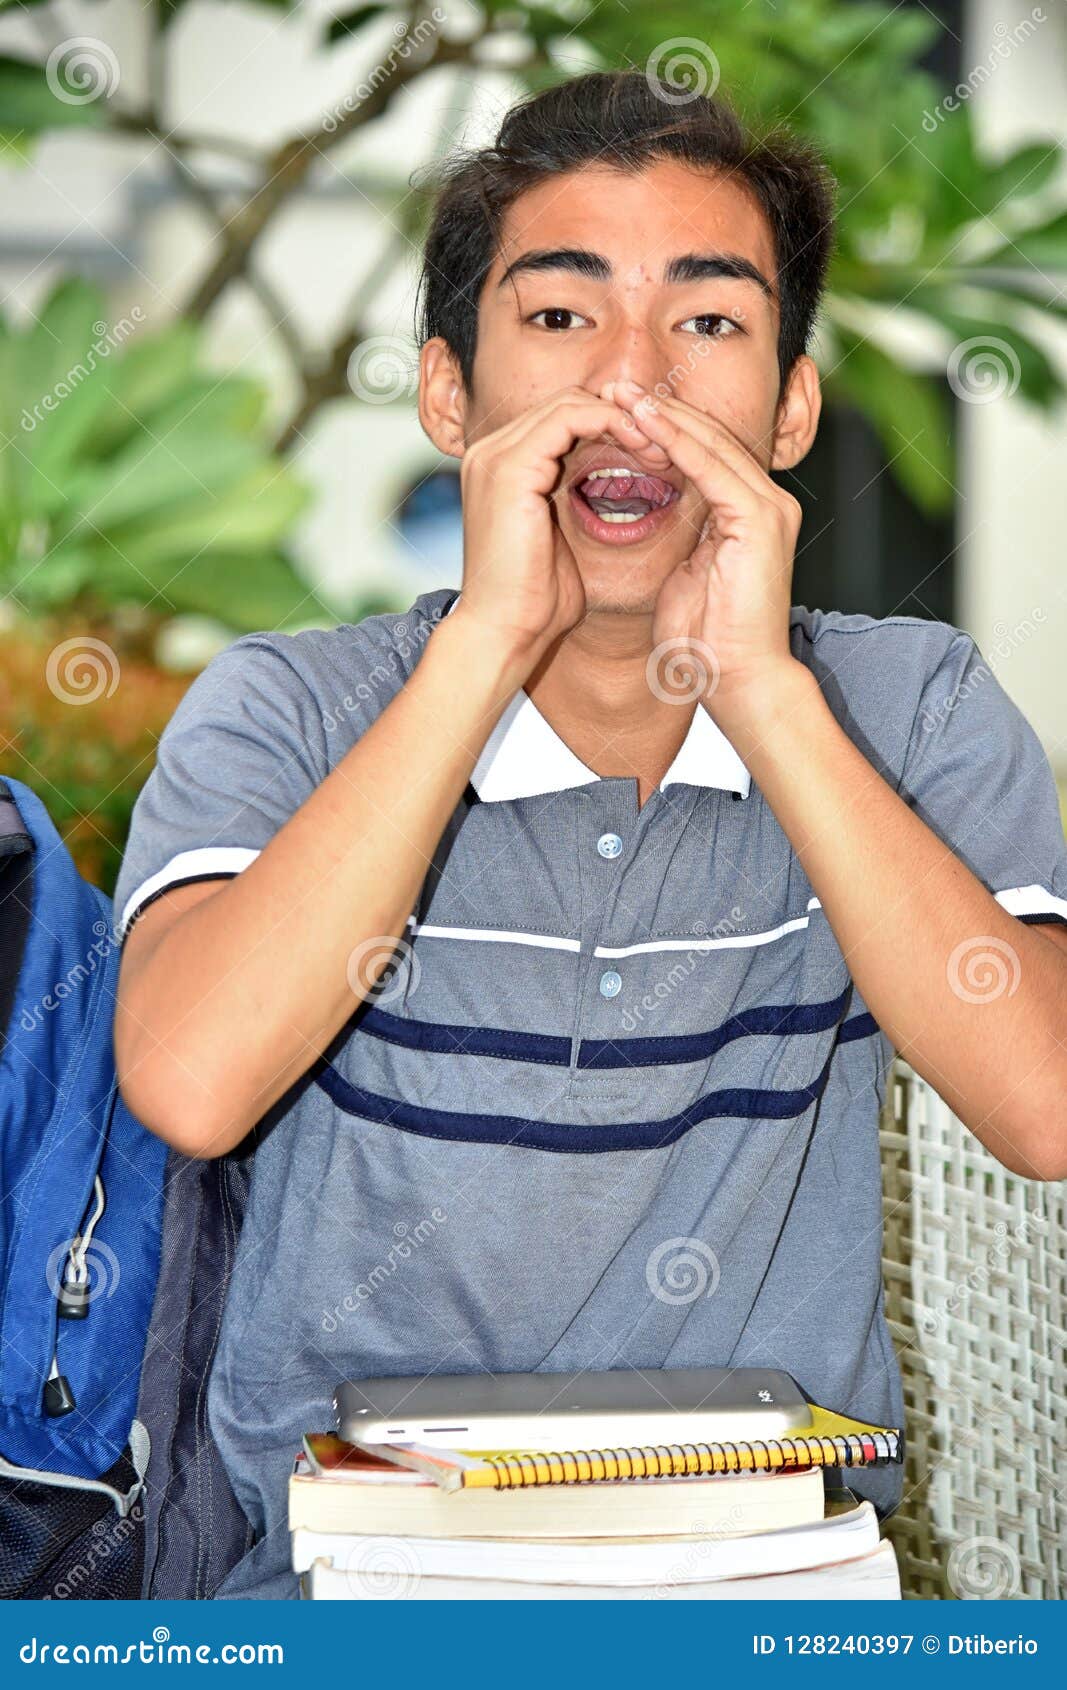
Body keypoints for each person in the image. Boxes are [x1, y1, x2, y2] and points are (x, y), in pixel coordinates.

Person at [113, 70, 1067, 1599]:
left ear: (791, 405)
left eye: (709, 323)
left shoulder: (907, 703)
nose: (635, 389)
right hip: (353, 1588)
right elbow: (190, 1077)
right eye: (560, 320)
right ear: (448, 394)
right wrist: (487, 638)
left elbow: (1045, 1105)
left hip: (777, 1591)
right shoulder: (291, 708)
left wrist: (763, 690)